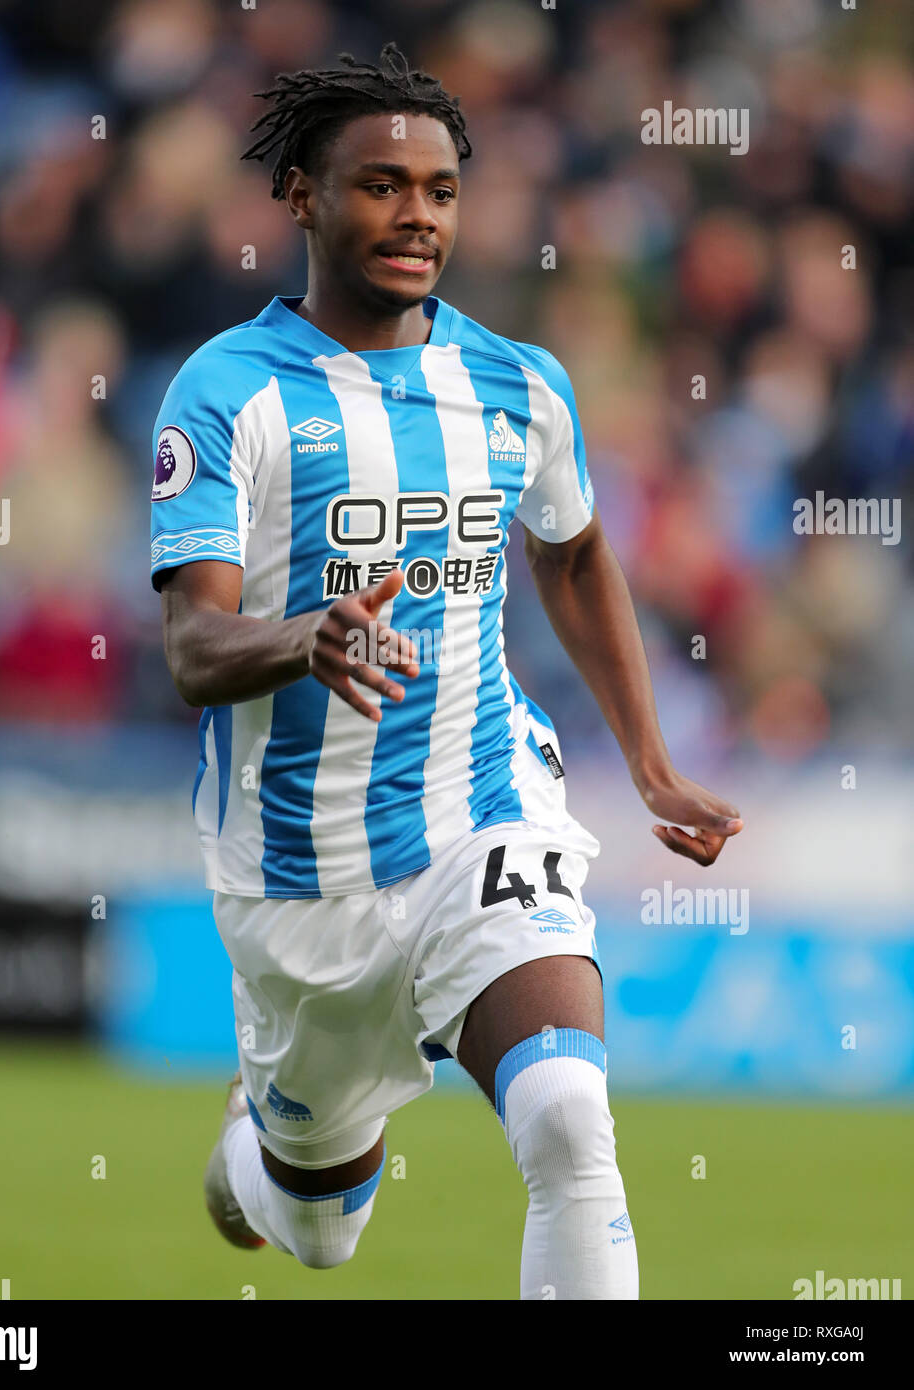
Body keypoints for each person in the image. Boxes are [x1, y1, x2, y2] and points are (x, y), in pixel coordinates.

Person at [151, 42, 743, 1299]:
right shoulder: (224, 394)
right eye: (379, 184)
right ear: (303, 196)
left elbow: (573, 555)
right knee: (317, 1229)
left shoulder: (516, 384)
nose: (416, 213)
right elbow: (192, 647)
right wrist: (299, 638)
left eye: (439, 188)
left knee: (569, 1125)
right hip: (296, 874)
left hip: (480, 809)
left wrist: (646, 763)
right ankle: (259, 1154)